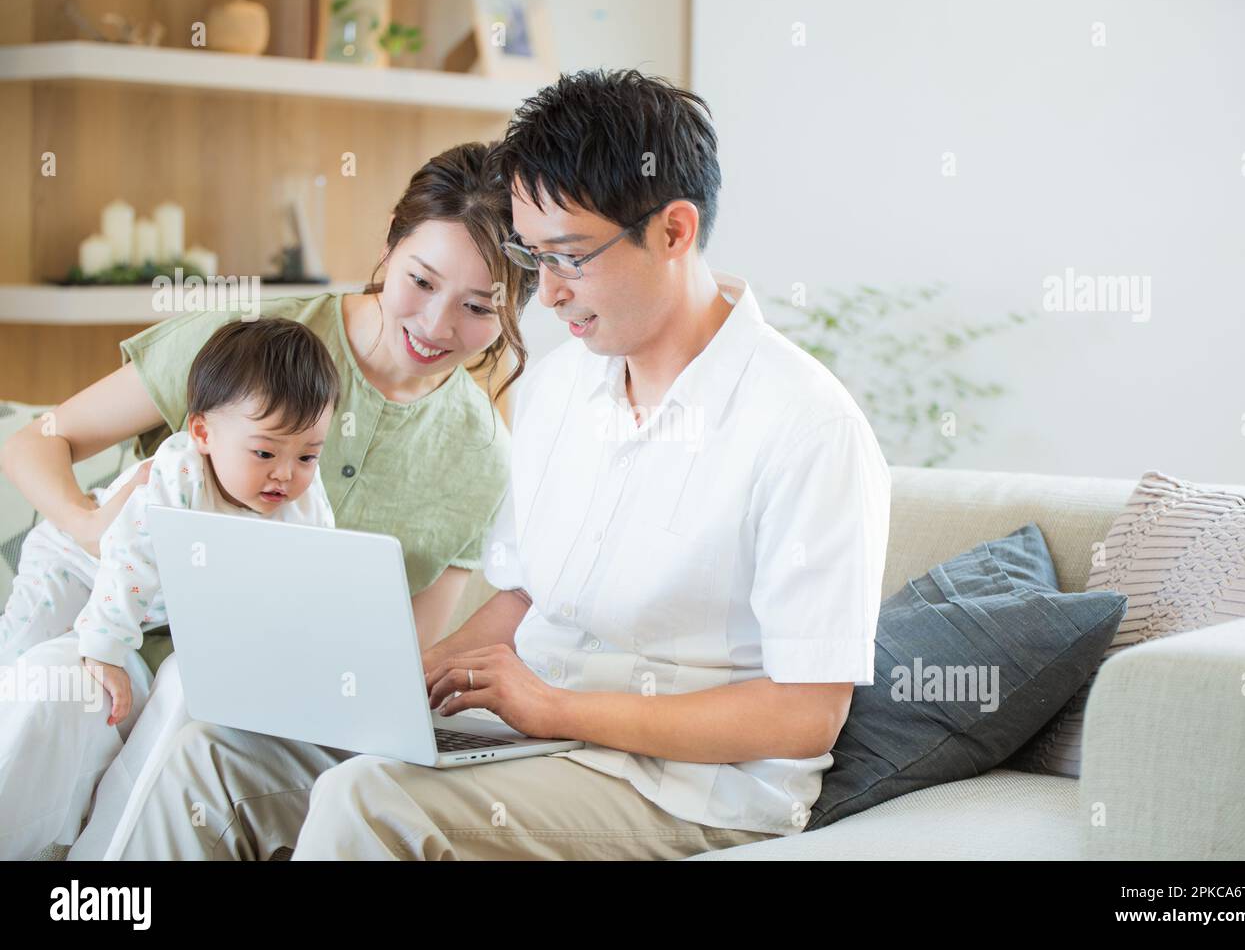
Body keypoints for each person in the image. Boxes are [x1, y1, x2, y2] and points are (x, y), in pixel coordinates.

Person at [108, 69, 893, 861]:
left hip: (686, 783)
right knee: (211, 753)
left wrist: (554, 707)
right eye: (531, 255)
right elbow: (523, 592)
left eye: (569, 258)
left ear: (675, 231)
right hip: (524, 735)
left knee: (368, 801)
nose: (544, 295)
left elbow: (804, 714)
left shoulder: (807, 426)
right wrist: (411, 677)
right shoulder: (558, 389)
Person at [0, 141, 536, 860]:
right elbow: (37, 439)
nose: (438, 326)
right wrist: (92, 524)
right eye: (421, 280)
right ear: (391, 243)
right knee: (50, 697)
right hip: (111, 621)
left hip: (234, 698)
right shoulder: (259, 343)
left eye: (478, 307)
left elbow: (395, 658)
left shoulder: (482, 457)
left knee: (195, 724)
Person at [0, 319, 338, 859]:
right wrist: (105, 650)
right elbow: (129, 563)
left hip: (158, 603)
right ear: (204, 434)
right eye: (265, 453)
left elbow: (315, 566)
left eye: (307, 455)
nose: (285, 475)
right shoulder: (179, 471)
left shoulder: (300, 493)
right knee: (23, 647)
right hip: (83, 564)